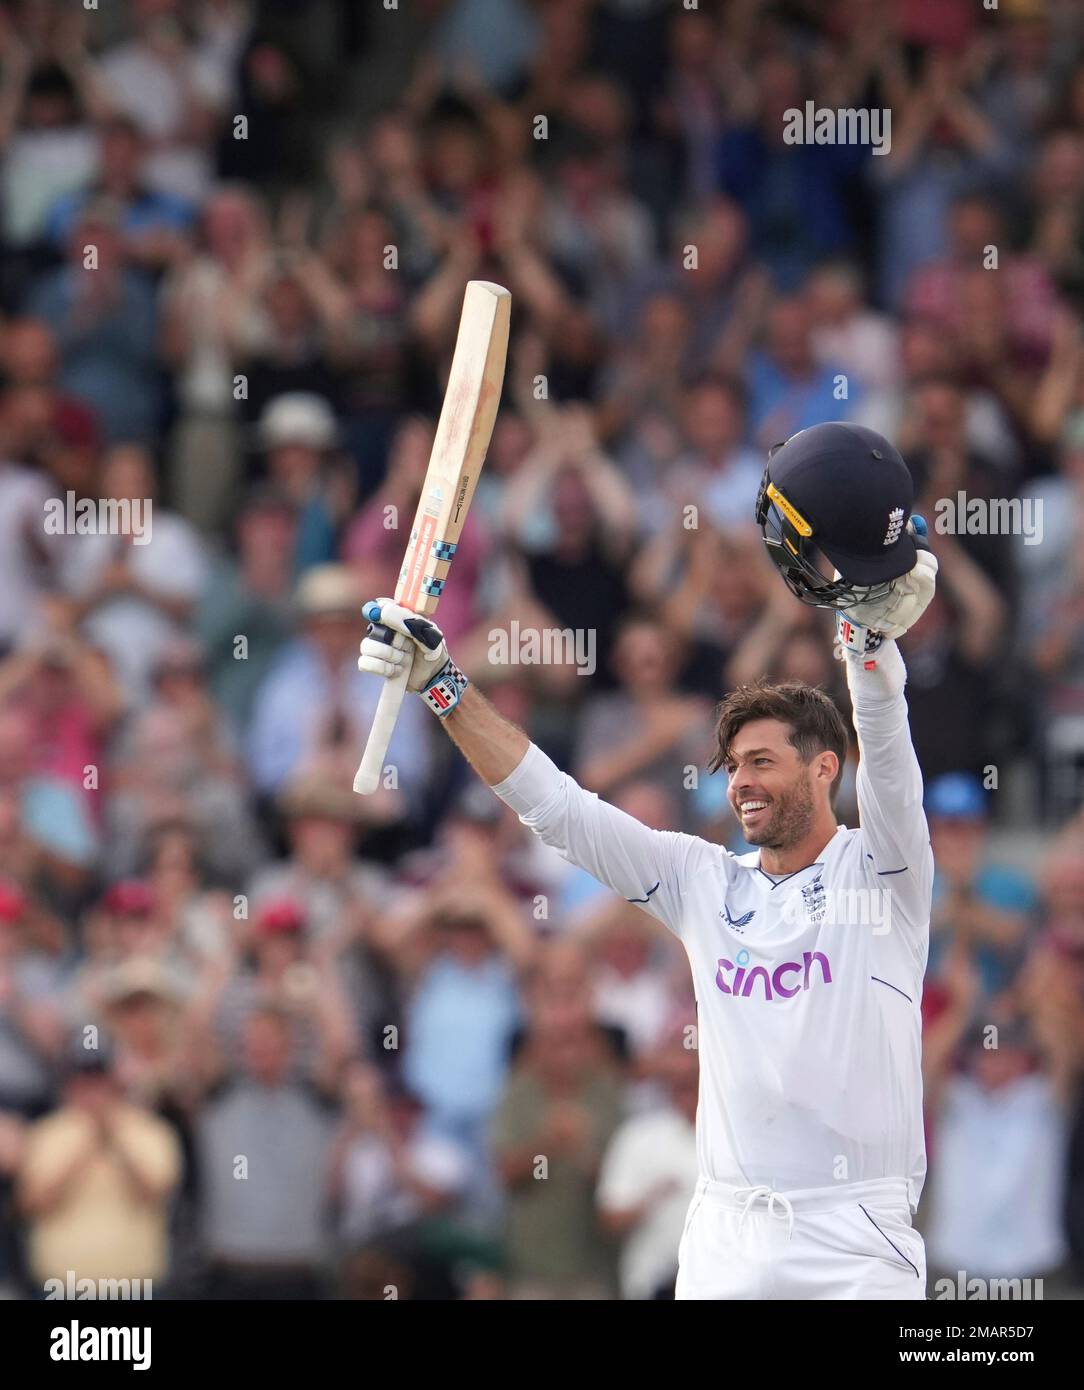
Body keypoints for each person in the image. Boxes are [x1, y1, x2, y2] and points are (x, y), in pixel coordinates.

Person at [359, 421, 938, 1299]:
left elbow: (889, 763)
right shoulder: (706, 884)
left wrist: (866, 648)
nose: (739, 783)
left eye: (763, 762)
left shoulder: (885, 877)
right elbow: (556, 808)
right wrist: (444, 686)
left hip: (856, 1239)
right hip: (727, 1238)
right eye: (732, 764)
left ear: (825, 769)